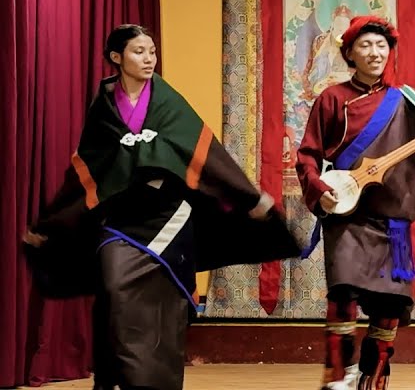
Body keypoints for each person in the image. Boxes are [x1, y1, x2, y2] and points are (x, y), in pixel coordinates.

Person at [24, 24, 299, 390]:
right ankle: (120, 377)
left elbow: (206, 154)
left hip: (168, 217)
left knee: (165, 306)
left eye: (152, 51)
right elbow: (85, 170)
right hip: (119, 220)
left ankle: (156, 384)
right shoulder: (103, 107)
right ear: (116, 58)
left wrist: (248, 197)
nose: (149, 58)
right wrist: (51, 223)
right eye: (139, 51)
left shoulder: (167, 102)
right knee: (114, 292)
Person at [295, 16, 415, 390]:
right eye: (365, 46)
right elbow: (308, 155)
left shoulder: (409, 101)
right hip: (349, 216)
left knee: (390, 307)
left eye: (381, 46)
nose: (375, 53)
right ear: (349, 53)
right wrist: (318, 188)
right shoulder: (332, 99)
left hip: (394, 223)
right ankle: (336, 378)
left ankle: (373, 378)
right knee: (343, 294)